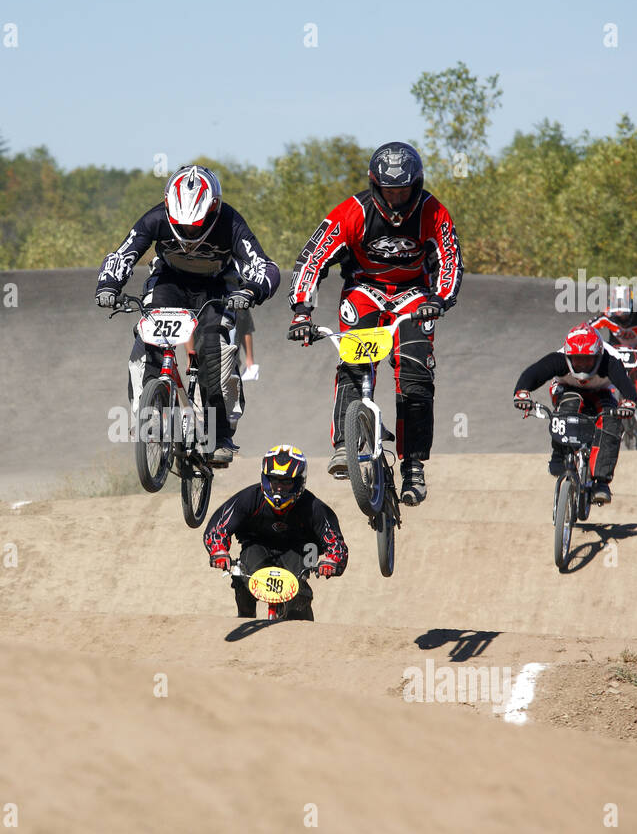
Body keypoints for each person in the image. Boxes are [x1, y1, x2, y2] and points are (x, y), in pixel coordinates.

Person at [286, 141, 463, 507]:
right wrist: (302, 311)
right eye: (389, 191)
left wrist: (440, 299)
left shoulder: (433, 211)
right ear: (375, 186)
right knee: (354, 363)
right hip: (364, 289)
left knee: (415, 373)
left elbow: (450, 258)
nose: (396, 200)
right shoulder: (353, 211)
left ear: (416, 186)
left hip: (414, 295)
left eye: (403, 191)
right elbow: (313, 258)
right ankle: (344, 445)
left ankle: (413, 465)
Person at [95, 165, 280, 465]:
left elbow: (264, 266)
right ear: (168, 208)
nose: (189, 232)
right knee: (148, 337)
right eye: (182, 225)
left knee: (214, 348)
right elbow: (124, 253)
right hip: (169, 282)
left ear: (213, 209)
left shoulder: (231, 222)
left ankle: (219, 433)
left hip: (217, 287)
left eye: (196, 225)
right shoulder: (155, 218)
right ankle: (148, 416)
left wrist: (251, 291)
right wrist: (108, 285)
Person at [203, 445, 348, 621]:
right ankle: (245, 619)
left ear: (299, 481)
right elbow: (217, 528)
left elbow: (336, 544)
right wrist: (219, 551)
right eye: (274, 481)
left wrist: (332, 561)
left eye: (286, 482)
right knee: (242, 579)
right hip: (257, 545)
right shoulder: (249, 498)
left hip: (296, 549)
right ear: (265, 479)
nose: (279, 488)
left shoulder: (313, 507)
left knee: (299, 594)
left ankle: (304, 630)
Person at [512, 324, 637, 506]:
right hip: (566, 388)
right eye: (577, 360)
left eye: (588, 360)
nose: (582, 364)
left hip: (601, 391)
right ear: (568, 356)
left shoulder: (610, 361)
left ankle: (601, 482)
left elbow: (627, 387)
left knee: (610, 421)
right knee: (569, 405)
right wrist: (522, 393)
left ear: (598, 356)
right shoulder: (559, 359)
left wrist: (628, 403)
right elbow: (533, 373)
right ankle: (559, 454)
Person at [586, 284, 637, 423]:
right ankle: (605, 400)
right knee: (607, 370)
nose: (622, 317)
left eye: (625, 314)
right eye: (617, 313)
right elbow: (588, 328)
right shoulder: (607, 315)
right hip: (617, 346)